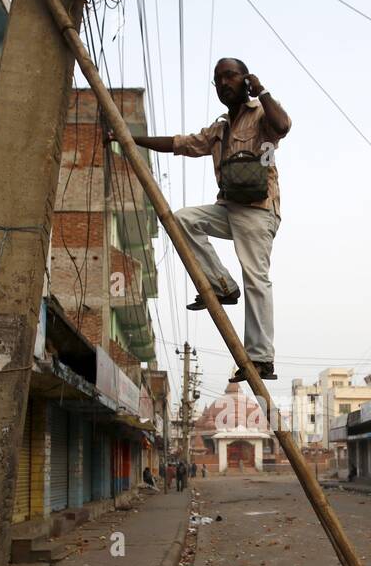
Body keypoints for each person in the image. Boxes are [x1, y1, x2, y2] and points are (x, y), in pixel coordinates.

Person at [123, 58, 291, 384]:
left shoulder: (262, 115)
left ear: (245, 79)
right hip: (228, 209)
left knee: (256, 278)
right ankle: (222, 286)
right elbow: (179, 144)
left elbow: (282, 126)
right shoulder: (219, 129)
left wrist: (264, 91)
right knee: (183, 220)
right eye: (218, 79)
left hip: (258, 210)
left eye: (230, 75)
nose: (224, 82)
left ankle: (261, 358)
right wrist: (129, 140)